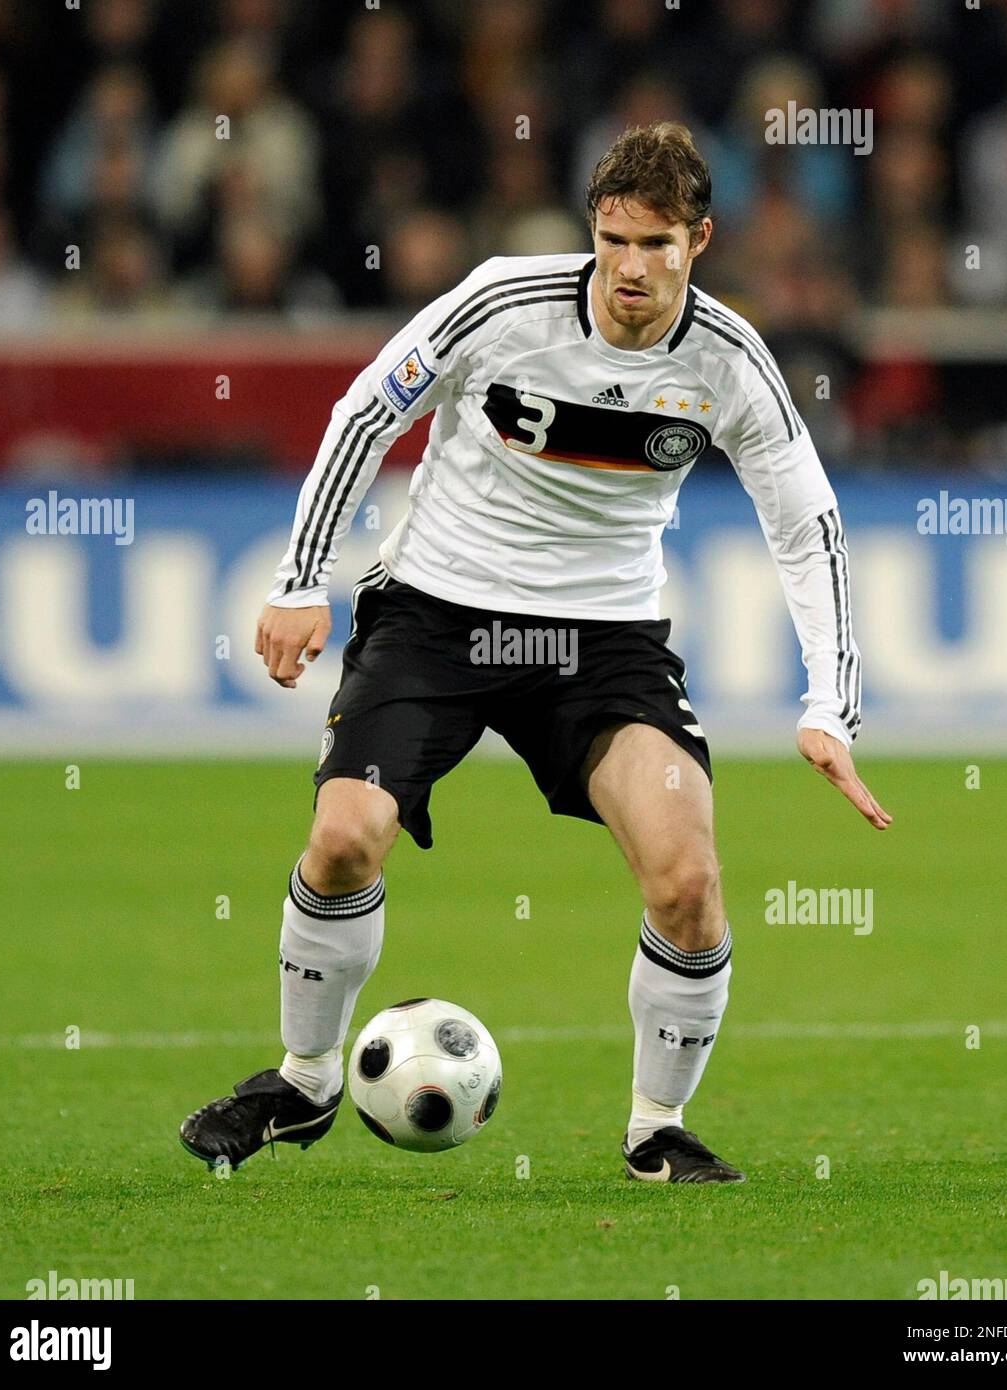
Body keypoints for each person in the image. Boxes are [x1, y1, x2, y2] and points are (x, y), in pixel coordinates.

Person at [180, 122, 891, 1184]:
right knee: (343, 838)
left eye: (657, 244)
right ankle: (307, 1077)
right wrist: (297, 581)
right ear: (591, 232)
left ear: (702, 238)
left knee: (689, 877)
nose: (631, 269)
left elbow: (809, 525)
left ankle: (657, 1127)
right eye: (613, 240)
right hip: (437, 614)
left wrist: (830, 704)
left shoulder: (732, 361)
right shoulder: (503, 302)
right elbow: (365, 411)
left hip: (601, 642)